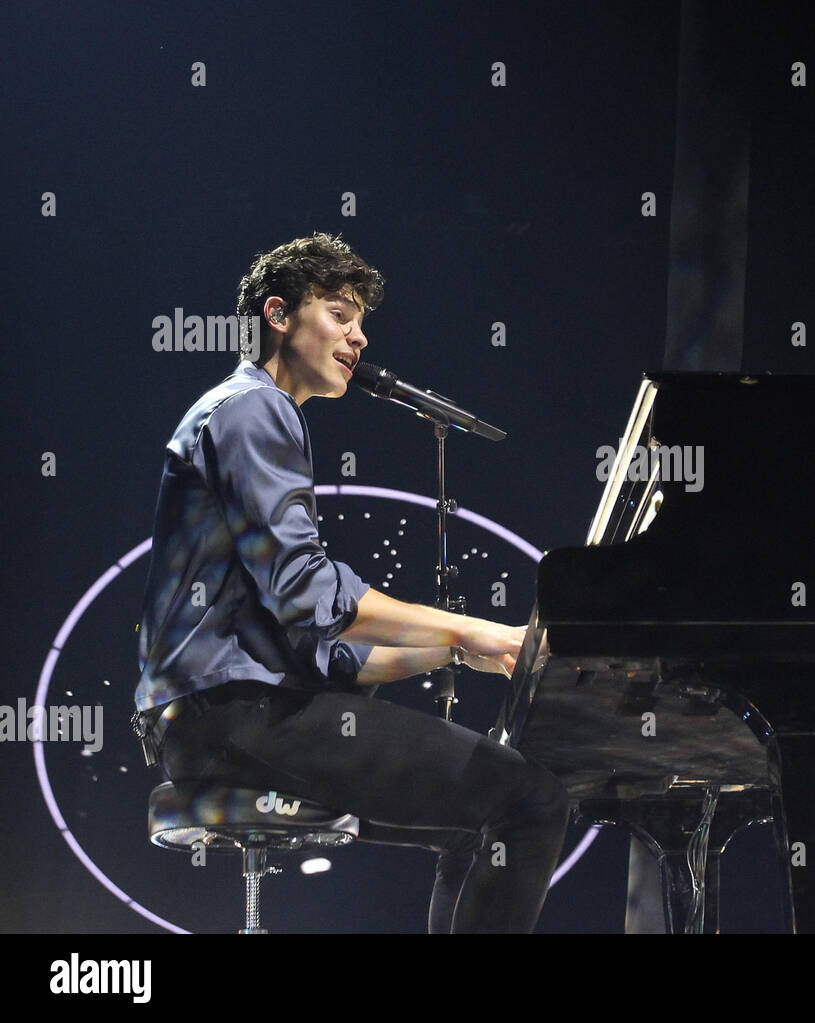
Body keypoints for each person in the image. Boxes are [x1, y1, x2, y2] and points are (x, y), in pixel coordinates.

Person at [133, 233, 569, 933]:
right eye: (340, 313)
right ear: (278, 314)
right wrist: (465, 626)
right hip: (236, 719)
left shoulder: (251, 411)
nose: (359, 336)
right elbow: (306, 591)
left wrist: (456, 652)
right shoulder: (252, 408)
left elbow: (318, 649)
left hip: (218, 721)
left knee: (472, 828)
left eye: (362, 320)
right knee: (532, 798)